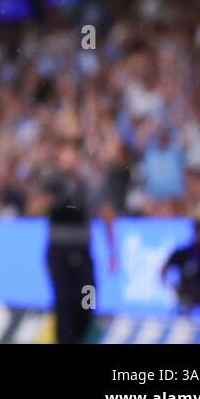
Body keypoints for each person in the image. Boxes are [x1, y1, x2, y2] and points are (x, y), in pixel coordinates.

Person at [29, 139, 118, 344]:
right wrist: (49, 198)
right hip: (59, 252)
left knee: (88, 298)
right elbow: (34, 209)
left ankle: (80, 337)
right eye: (66, 155)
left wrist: (113, 251)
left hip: (82, 251)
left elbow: (106, 214)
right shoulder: (51, 183)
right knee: (64, 301)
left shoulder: (89, 184)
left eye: (73, 155)